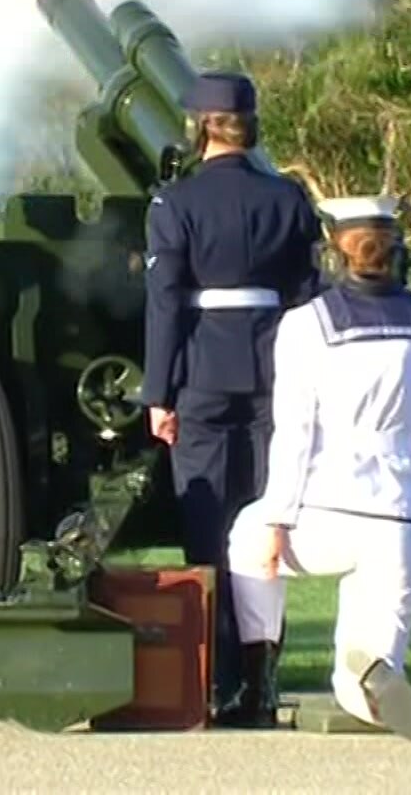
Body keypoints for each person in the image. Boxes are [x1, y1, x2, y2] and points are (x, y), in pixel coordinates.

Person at [219, 195, 411, 738]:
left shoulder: (307, 323)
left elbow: (295, 432)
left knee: (247, 537)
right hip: (400, 516)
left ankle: (259, 684)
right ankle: (373, 678)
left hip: (325, 510)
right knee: (364, 665)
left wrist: (278, 516)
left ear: (334, 252)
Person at [142, 70, 322, 719]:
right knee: (263, 530)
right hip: (277, 376)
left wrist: (158, 392)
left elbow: (164, 304)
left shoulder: (175, 204)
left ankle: (217, 682)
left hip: (203, 378)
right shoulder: (289, 200)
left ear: (199, 128)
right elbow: (308, 298)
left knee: (210, 532)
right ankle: (261, 679)